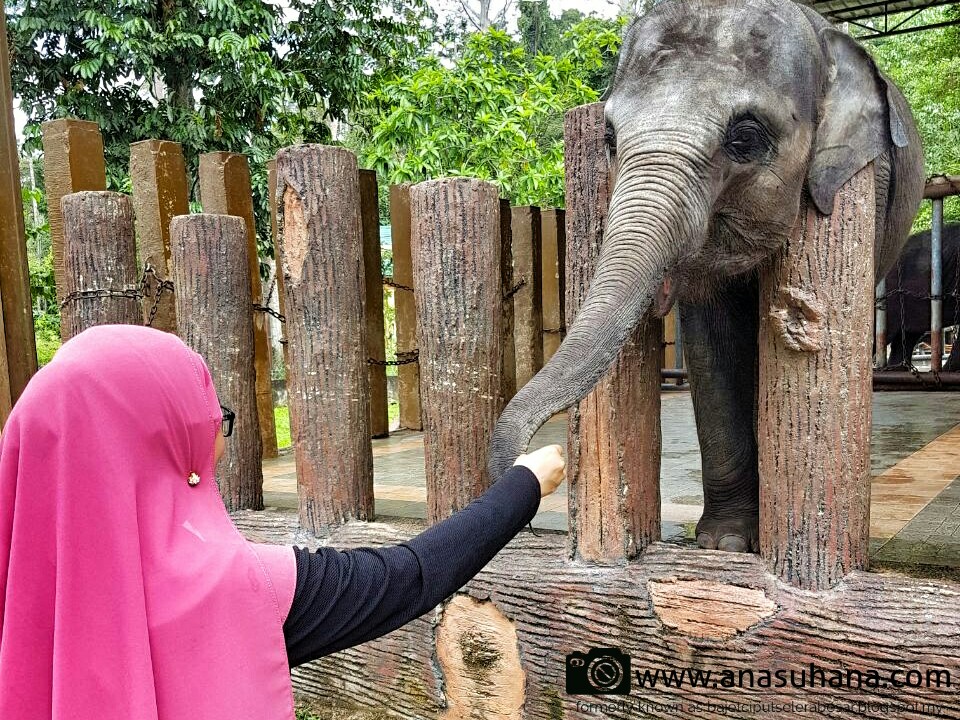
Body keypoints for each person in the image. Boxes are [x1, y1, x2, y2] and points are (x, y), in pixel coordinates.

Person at [0, 325, 564, 719]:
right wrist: (525, 485)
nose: (219, 436)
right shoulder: (231, 590)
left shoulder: (17, 593)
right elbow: (407, 577)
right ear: (165, 442)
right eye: (213, 419)